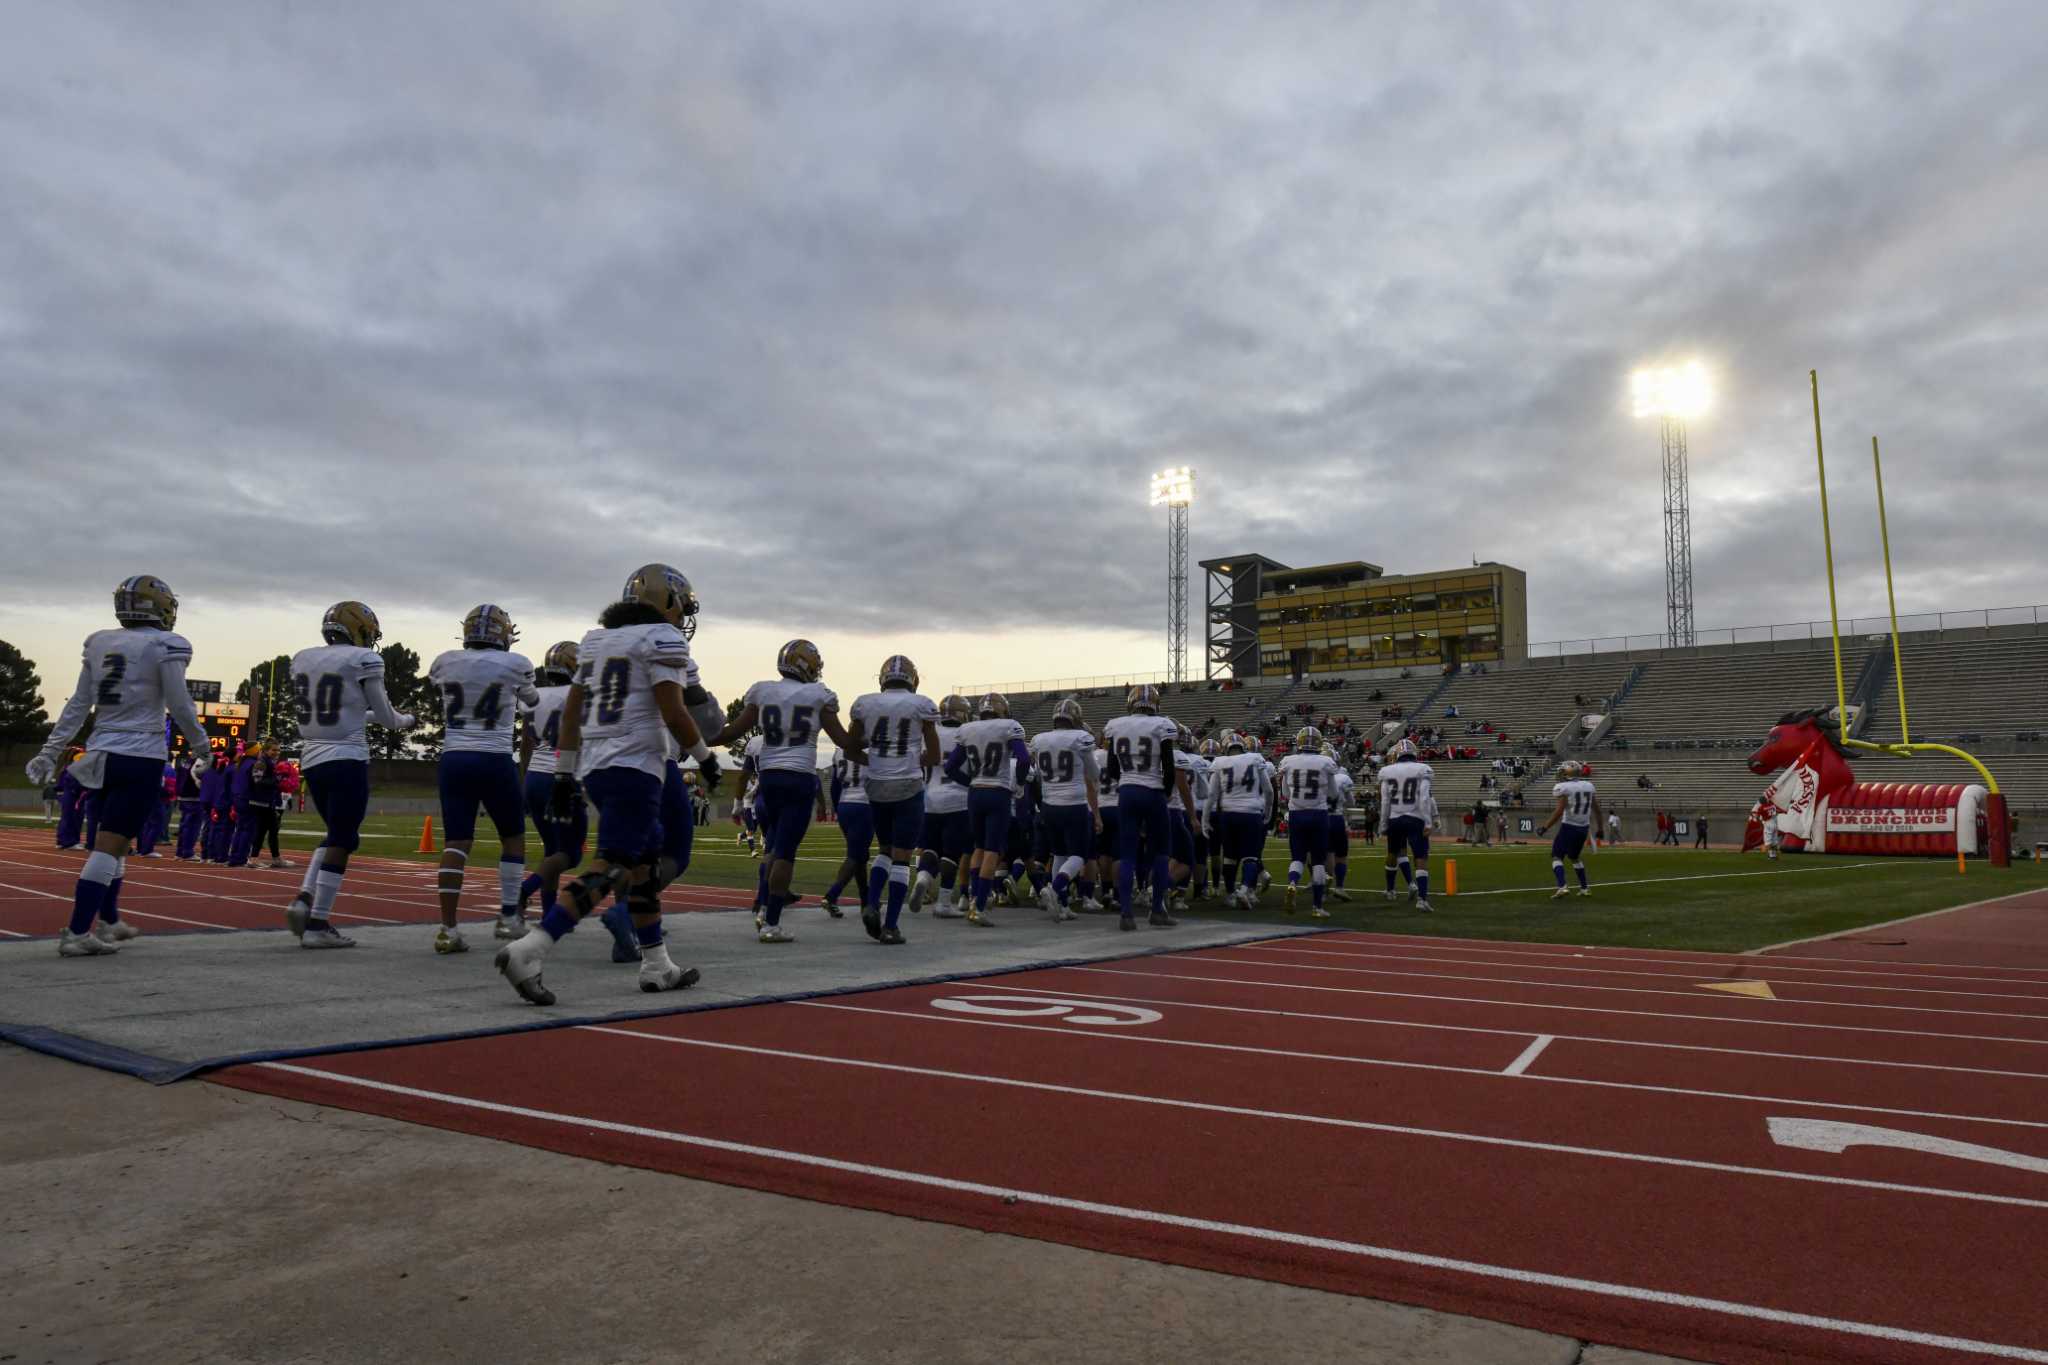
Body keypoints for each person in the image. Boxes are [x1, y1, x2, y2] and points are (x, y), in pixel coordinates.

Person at [496, 564, 719, 1002]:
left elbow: (573, 712)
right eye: (681, 606)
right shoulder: (663, 638)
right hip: (635, 765)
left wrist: (564, 772)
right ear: (666, 602)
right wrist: (706, 758)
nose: (683, 616)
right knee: (612, 865)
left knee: (644, 866)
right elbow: (674, 711)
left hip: (597, 766)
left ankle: (657, 964)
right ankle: (530, 948)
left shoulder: (596, 641)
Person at [24, 575, 212, 955]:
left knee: (115, 840)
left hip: (99, 754)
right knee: (109, 846)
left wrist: (50, 751)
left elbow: (79, 704)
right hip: (138, 756)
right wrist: (201, 745)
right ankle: (78, 932)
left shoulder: (100, 642)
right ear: (159, 607)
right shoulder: (166, 644)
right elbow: (179, 702)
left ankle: (108, 921)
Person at [284, 601, 416, 948]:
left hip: (312, 759)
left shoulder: (303, 658)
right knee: (343, 841)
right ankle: (317, 923)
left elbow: (344, 710)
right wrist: (406, 720)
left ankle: (305, 898)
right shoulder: (363, 659)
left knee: (336, 835)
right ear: (358, 629)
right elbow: (386, 717)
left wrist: (381, 716)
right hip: (346, 758)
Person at [715, 639, 856, 944]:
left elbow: (731, 732)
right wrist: (877, 741)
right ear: (806, 665)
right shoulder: (819, 695)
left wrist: (694, 736)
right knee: (785, 854)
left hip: (769, 778)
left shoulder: (763, 691)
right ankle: (771, 923)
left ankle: (765, 907)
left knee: (774, 847)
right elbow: (844, 741)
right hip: (799, 777)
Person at [428, 605, 541, 954]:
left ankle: (448, 929)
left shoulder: (445, 661)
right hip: (494, 757)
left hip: (454, 757)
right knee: (513, 838)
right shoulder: (516, 663)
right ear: (503, 633)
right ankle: (508, 918)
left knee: (455, 843)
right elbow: (533, 702)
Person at [518, 642, 624, 958]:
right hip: (562, 777)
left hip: (535, 776)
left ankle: (548, 914)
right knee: (570, 854)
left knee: (552, 850)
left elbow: (526, 744)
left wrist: (524, 781)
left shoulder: (535, 696)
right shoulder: (581, 696)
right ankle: (523, 892)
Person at [845, 655, 941, 944]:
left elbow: (850, 750)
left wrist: (876, 762)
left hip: (877, 786)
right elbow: (934, 756)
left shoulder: (865, 703)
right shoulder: (921, 704)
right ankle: (890, 926)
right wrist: (910, 761)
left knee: (884, 849)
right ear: (913, 679)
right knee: (902, 857)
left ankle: (871, 902)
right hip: (908, 785)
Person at [1101, 683, 1190, 931]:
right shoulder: (1162, 724)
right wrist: (1165, 791)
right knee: (1161, 852)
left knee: (1128, 853)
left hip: (1127, 791)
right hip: (1153, 791)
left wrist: (1127, 781)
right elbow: (1168, 766)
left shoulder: (1116, 725)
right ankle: (1157, 910)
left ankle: (1126, 914)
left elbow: (1112, 768)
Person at [944, 692, 1031, 928]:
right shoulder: (1009, 726)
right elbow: (1024, 760)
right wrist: (1019, 783)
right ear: (1002, 709)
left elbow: (950, 767)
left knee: (979, 848)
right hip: (998, 792)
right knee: (992, 850)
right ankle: (979, 906)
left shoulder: (967, 729)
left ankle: (974, 898)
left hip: (975, 793)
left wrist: (970, 782)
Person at [1029, 697, 1100, 922]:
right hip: (1073, 804)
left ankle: (1062, 905)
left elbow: (1038, 774)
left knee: (1059, 854)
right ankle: (1055, 887)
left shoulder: (1039, 739)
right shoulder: (1081, 738)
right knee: (1079, 855)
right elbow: (1094, 773)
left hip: (1049, 804)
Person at [1276, 727, 1340, 918]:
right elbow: (1333, 793)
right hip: (1318, 814)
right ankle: (1317, 907)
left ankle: (1292, 883)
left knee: (1297, 858)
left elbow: (1285, 793)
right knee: (1318, 861)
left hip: (1296, 814)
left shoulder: (1288, 761)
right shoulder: (1325, 762)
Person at [1205, 730, 1272, 909]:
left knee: (1229, 857)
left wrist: (1205, 819)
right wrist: (1268, 812)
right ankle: (1244, 890)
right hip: (1252, 812)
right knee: (1251, 856)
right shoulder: (1255, 758)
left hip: (1228, 814)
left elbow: (1211, 795)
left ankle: (1230, 894)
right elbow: (1269, 791)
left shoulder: (1220, 762)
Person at [1378, 737, 1436, 912]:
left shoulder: (1387, 771)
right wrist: (1428, 821)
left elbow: (1385, 801)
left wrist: (1383, 825)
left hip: (1394, 819)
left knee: (1392, 853)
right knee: (1421, 857)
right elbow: (1424, 798)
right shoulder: (1422, 769)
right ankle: (1422, 899)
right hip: (1415, 818)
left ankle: (1390, 890)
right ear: (1414, 752)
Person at [819, 746, 871, 922]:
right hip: (864, 804)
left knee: (860, 856)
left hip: (844, 804)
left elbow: (834, 784)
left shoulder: (839, 751)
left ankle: (866, 901)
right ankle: (831, 895)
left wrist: (837, 808)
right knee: (856, 856)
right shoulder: (872, 749)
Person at [1540, 760, 1600, 899]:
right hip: (1583, 828)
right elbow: (1597, 809)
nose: (1560, 774)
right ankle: (1585, 888)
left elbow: (1559, 811)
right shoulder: (1588, 785)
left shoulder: (1563, 787)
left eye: (1563, 771)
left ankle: (1562, 887)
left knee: (1556, 856)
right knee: (1574, 857)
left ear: (1568, 773)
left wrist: (1545, 827)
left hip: (1569, 826)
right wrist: (1601, 827)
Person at [1323, 745, 1355, 900]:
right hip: (1337, 818)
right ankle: (1340, 887)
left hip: (1320, 818)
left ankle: (1323, 889)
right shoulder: (1343, 778)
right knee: (1341, 855)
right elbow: (1351, 803)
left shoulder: (1317, 777)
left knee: (1325, 855)